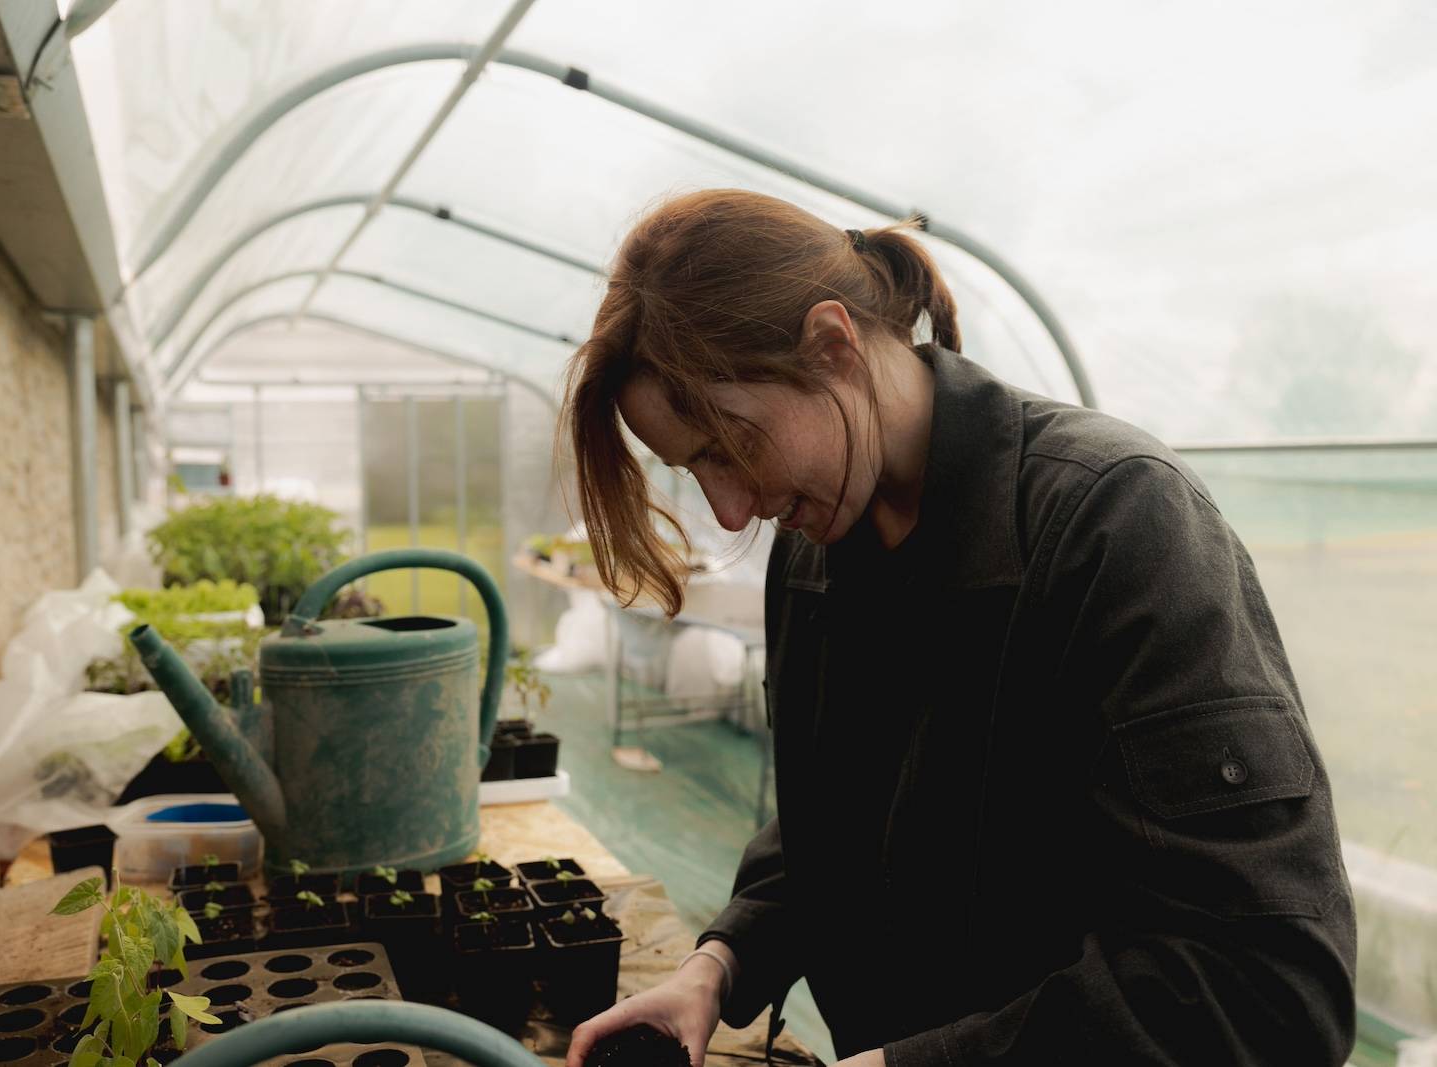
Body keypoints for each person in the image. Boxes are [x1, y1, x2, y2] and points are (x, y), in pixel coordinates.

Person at [558, 189, 1357, 1066]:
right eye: (691, 468)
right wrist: (718, 963)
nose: (729, 508)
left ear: (832, 345)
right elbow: (832, 826)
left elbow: (1262, 988)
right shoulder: (817, 552)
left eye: (727, 444)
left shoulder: (1113, 522)